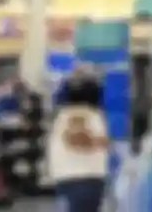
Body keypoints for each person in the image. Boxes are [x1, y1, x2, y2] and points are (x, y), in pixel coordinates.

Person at [47, 72, 110, 212]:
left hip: (67, 177)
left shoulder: (62, 116)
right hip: (91, 177)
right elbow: (82, 139)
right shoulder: (93, 115)